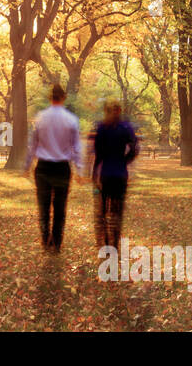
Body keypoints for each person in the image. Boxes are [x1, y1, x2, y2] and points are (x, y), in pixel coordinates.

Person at [23, 84, 83, 254]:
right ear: (63, 98)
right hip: (62, 168)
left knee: (43, 207)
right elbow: (76, 147)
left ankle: (45, 240)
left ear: (51, 97)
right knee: (59, 207)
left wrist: (27, 165)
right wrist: (79, 169)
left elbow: (32, 145)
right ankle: (56, 243)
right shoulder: (71, 119)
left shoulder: (40, 118)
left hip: (43, 168)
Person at [92, 100, 139, 251]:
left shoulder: (102, 127)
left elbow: (98, 154)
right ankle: (115, 244)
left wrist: (94, 174)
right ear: (119, 110)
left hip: (105, 174)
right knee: (117, 211)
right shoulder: (126, 127)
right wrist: (125, 160)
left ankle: (106, 241)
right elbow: (134, 148)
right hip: (120, 174)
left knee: (104, 210)